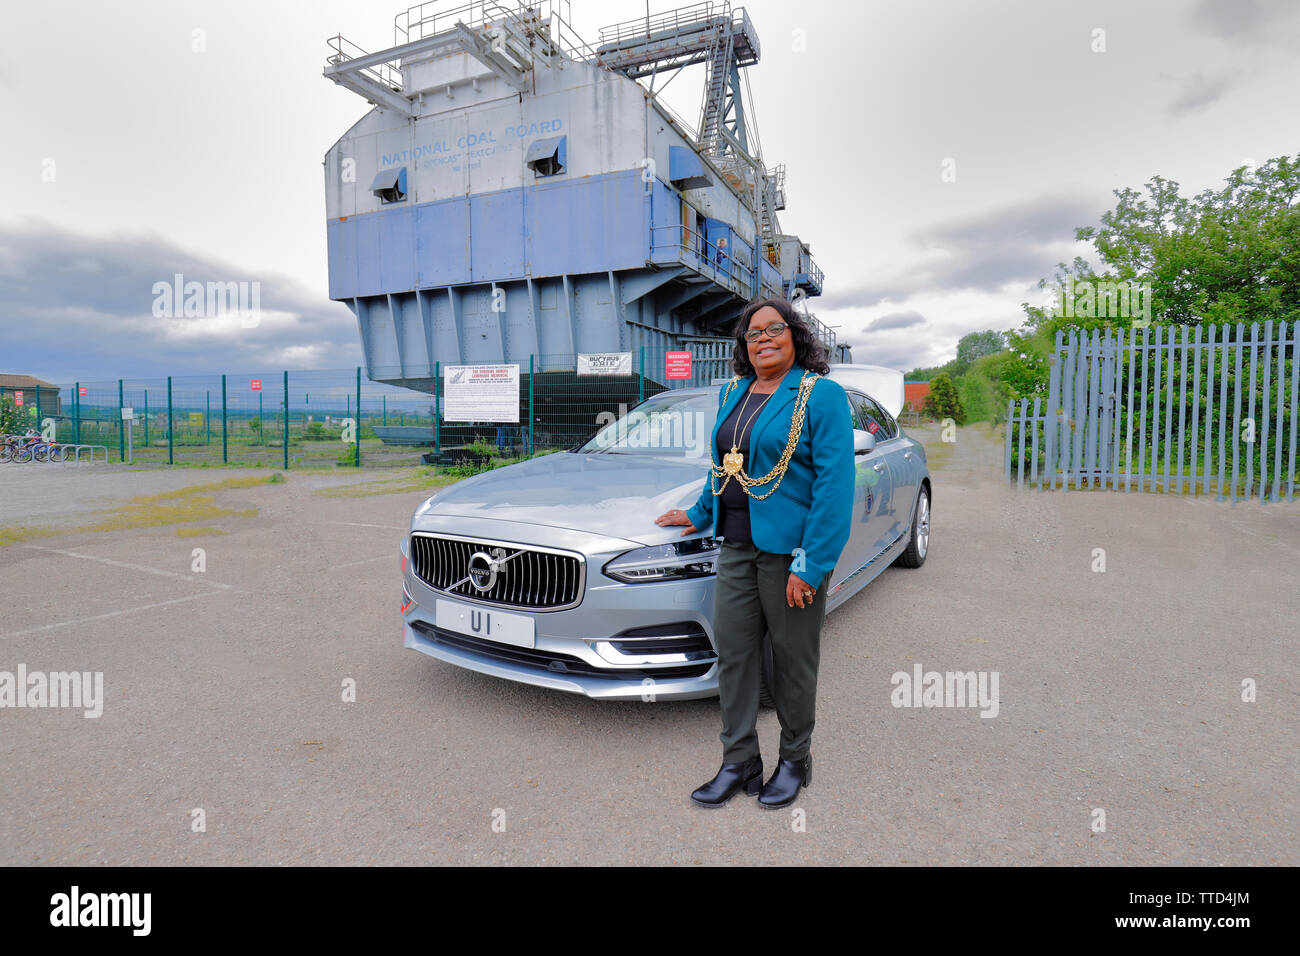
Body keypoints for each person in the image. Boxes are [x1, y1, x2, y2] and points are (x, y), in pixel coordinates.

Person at [655, 297, 854, 809]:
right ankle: (739, 760)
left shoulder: (820, 395)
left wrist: (811, 563)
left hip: (790, 553)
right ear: (743, 346)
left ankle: (794, 759)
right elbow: (722, 466)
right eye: (752, 333)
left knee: (792, 661)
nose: (763, 339)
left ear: (795, 335)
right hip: (737, 547)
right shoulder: (734, 392)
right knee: (735, 657)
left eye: (774, 329)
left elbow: (835, 486)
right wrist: (699, 513)